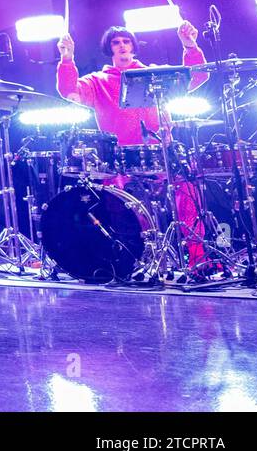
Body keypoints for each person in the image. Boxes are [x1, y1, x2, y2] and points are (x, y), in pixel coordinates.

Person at [57, 22, 210, 269]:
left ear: (134, 47)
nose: (122, 46)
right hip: (120, 161)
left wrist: (190, 45)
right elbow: (69, 91)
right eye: (116, 42)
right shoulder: (97, 81)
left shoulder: (156, 74)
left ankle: (198, 260)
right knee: (125, 212)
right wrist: (67, 59)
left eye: (126, 41)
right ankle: (137, 262)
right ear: (110, 49)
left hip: (163, 154)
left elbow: (199, 75)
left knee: (189, 194)